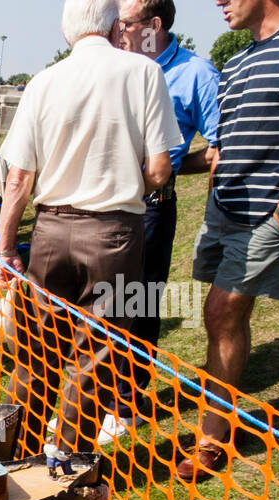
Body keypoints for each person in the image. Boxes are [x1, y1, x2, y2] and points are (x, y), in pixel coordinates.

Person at [0, 0, 180, 454]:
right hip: (115, 235)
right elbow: (160, 171)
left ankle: (20, 452)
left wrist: (5, 245)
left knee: (36, 356)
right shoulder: (143, 72)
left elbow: (18, 177)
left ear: (66, 36)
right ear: (117, 27)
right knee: (95, 357)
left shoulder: (42, 82)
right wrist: (120, 178)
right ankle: (70, 465)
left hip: (50, 231)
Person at [177, 0, 279, 480]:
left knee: (220, 312)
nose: (219, 2)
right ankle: (222, 423)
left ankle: (213, 440)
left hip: (268, 214)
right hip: (223, 212)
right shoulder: (234, 63)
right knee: (223, 320)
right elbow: (220, 149)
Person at [96, 0, 221, 445]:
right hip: (102, 200)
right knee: (99, 302)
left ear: (153, 25)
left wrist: (168, 168)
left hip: (149, 206)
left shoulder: (196, 73)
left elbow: (219, 144)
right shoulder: (116, 65)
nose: (118, 30)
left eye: (125, 23)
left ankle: (125, 404)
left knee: (137, 302)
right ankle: (94, 397)